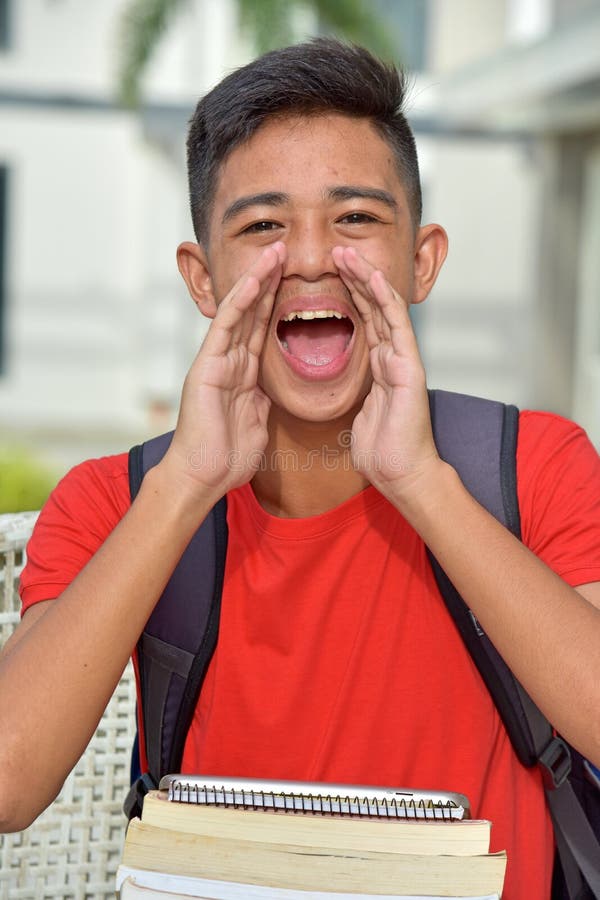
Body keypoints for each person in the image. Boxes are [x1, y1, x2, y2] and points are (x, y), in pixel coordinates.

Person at [1, 38, 599, 900]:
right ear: (202, 279)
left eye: (355, 218)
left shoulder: (533, 467)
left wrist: (423, 484)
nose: (312, 258)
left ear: (422, 259)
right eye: (262, 226)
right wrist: (185, 486)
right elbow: (10, 783)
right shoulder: (118, 500)